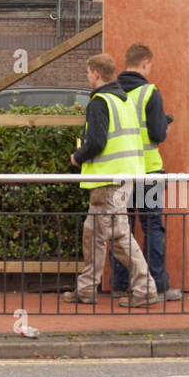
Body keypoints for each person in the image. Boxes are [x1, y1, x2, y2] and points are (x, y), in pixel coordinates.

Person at [63, 53, 159, 307]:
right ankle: (86, 289)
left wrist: (77, 156)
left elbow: (96, 142)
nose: (87, 77)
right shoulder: (123, 100)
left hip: (106, 180)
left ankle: (145, 288)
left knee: (116, 237)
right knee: (95, 233)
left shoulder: (100, 102)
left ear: (95, 73)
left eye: (87, 73)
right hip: (122, 177)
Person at [109, 43, 182, 301]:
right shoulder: (150, 92)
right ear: (145, 64)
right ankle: (158, 285)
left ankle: (119, 284)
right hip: (149, 172)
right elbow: (157, 134)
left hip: (119, 173)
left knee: (121, 228)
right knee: (151, 226)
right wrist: (165, 127)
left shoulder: (111, 93)